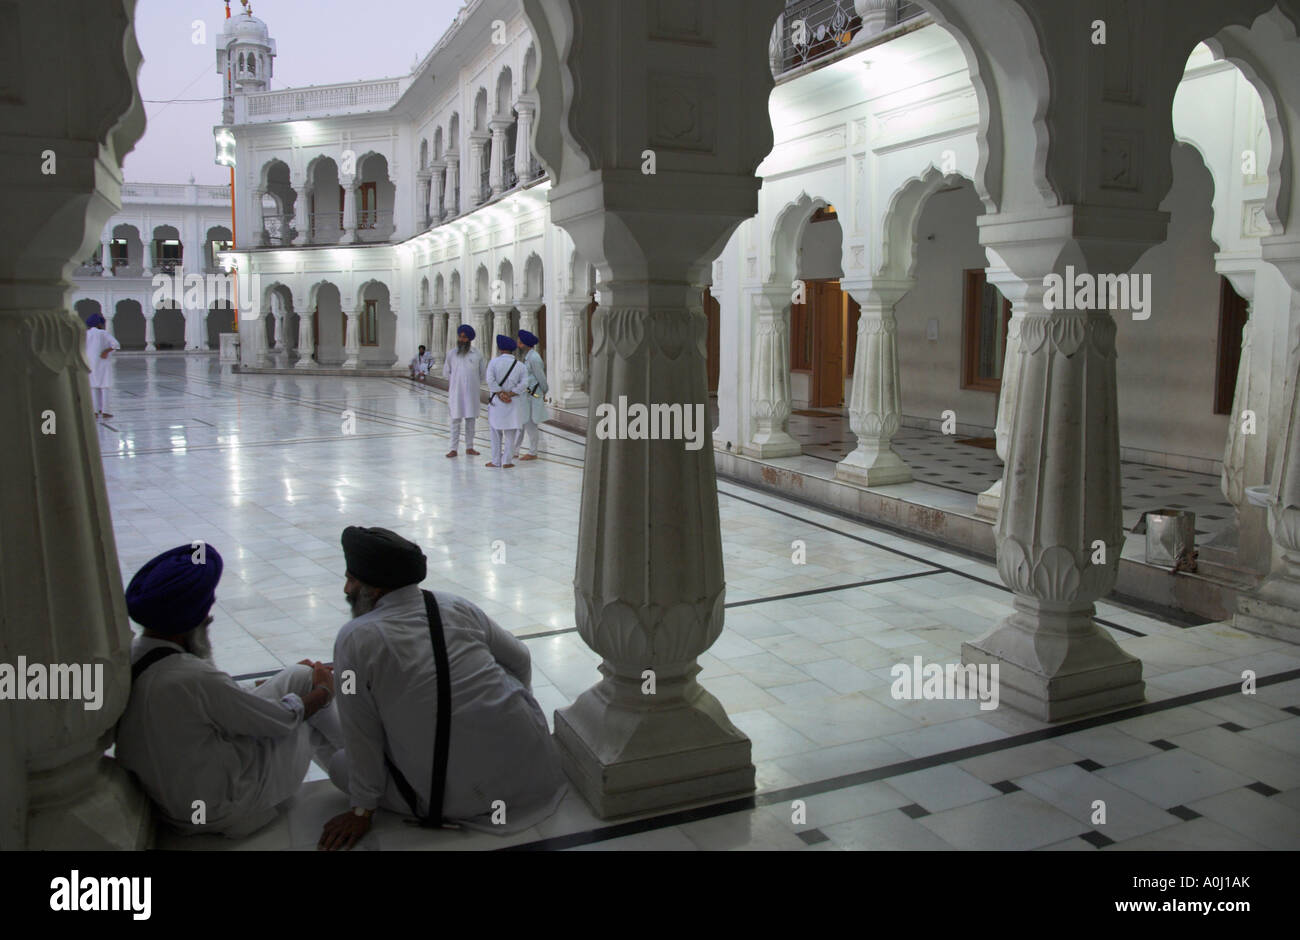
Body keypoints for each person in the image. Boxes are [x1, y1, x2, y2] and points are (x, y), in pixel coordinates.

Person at [317, 526, 566, 850]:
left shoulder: (355, 638)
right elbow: (520, 658)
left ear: (373, 590)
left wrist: (362, 810)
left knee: (341, 762)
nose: (346, 588)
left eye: (351, 579)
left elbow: (361, 735)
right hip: (537, 770)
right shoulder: (453, 605)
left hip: (463, 799)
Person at [114, 544, 344, 838]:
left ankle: (355, 768)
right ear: (190, 624)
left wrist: (277, 683)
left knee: (299, 676)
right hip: (224, 809)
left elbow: (222, 702)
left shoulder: (134, 656)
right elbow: (281, 719)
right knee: (308, 701)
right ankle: (360, 779)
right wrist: (324, 691)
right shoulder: (191, 676)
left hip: (179, 803)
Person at [442, 324, 486, 458]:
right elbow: (446, 373)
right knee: (455, 421)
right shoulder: (451, 354)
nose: (461, 339)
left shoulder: (477, 354)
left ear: (469, 339)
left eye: (464, 337)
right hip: (456, 394)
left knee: (470, 421)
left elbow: (482, 374)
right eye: (460, 336)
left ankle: (470, 447)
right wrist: (457, 382)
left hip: (471, 394)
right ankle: (453, 449)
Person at [485, 334, 527, 469]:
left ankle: (495, 461)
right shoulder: (520, 366)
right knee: (510, 434)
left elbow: (490, 381)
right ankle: (507, 461)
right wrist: (510, 393)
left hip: (497, 402)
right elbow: (524, 384)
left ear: (499, 348)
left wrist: (500, 394)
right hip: (513, 402)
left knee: (495, 433)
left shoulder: (493, 362)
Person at [513, 329, 548, 462]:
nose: (518, 345)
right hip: (525, 396)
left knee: (530, 424)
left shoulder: (534, 358)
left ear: (526, 344)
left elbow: (541, 378)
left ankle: (533, 452)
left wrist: (543, 392)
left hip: (533, 396)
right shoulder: (527, 357)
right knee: (521, 423)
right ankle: (514, 451)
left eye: (520, 343)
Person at [84, 313, 120, 419]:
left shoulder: (85, 334)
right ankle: (105, 411)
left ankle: (95, 411)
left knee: (93, 387)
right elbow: (116, 345)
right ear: (99, 324)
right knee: (105, 387)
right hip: (103, 363)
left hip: (90, 363)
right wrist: (106, 351)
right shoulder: (102, 333)